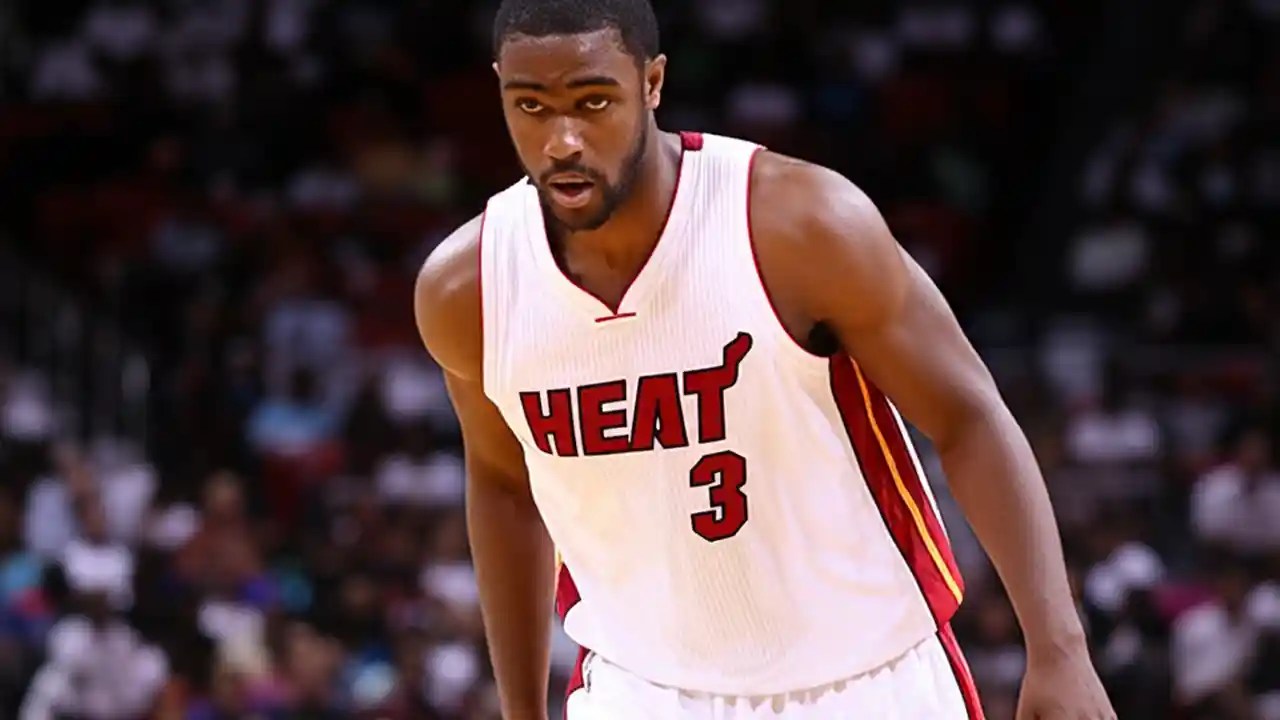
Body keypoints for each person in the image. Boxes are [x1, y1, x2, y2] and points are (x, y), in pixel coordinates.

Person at [414, 0, 1115, 718]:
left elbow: (967, 415)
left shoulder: (798, 225)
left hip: (867, 680)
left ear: (652, 83)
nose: (562, 139)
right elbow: (504, 486)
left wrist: (1059, 648)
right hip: (642, 688)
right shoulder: (468, 288)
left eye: (593, 102)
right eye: (530, 106)